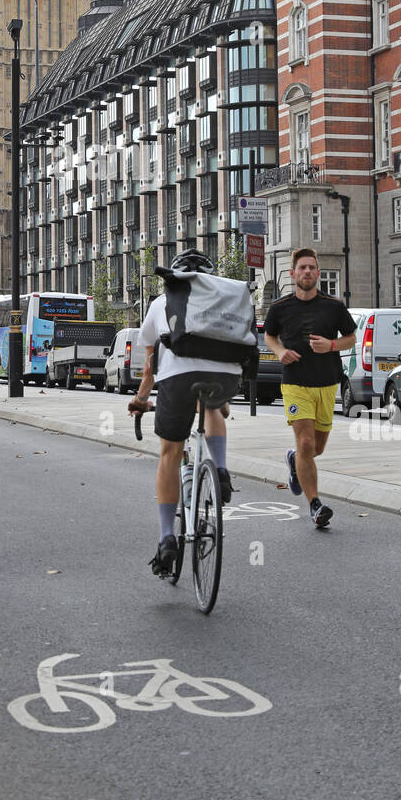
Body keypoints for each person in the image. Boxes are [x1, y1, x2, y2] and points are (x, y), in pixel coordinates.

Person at [129, 249, 242, 580]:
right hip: (225, 377)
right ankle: (220, 470)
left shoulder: (159, 305)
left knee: (170, 451)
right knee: (211, 405)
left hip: (176, 380)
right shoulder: (224, 300)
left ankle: (166, 537)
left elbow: (150, 369)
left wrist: (140, 400)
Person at [263, 247, 356, 529]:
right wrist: (279, 352)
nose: (307, 272)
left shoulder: (334, 306)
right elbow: (269, 336)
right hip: (294, 383)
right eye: (302, 268)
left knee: (316, 448)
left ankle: (294, 461)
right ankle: (315, 505)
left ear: (317, 273)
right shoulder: (280, 307)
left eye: (311, 268)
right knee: (305, 442)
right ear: (293, 274)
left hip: (326, 382)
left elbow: (351, 338)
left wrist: (330, 345)